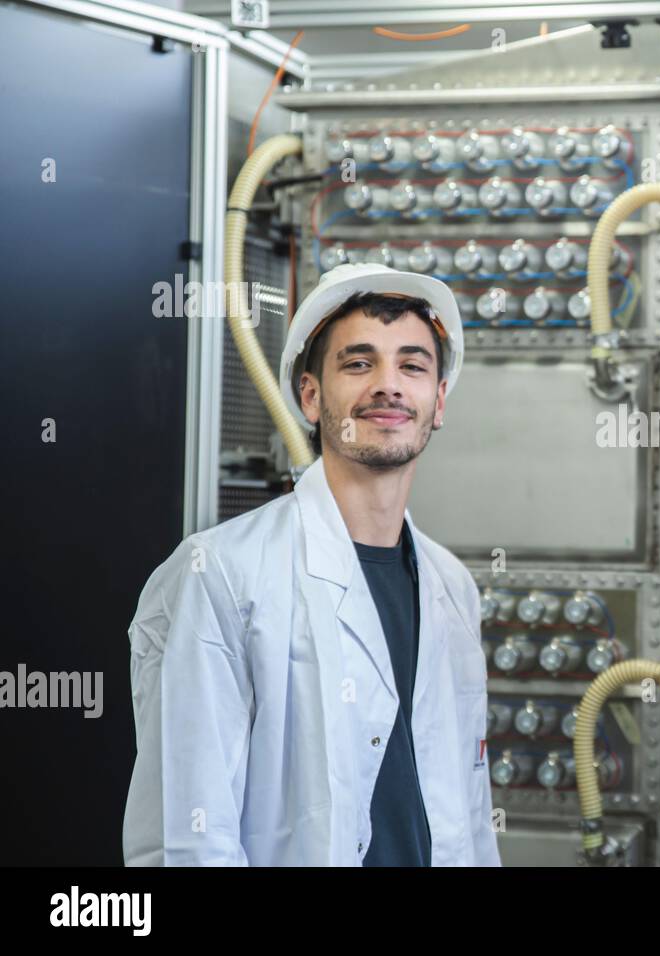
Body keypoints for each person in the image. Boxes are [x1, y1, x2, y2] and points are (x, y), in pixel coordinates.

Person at [123, 263, 499, 866]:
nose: (388, 385)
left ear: (439, 399)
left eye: (412, 365)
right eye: (358, 363)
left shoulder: (451, 586)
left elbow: (470, 820)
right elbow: (188, 838)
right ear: (310, 396)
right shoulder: (222, 573)